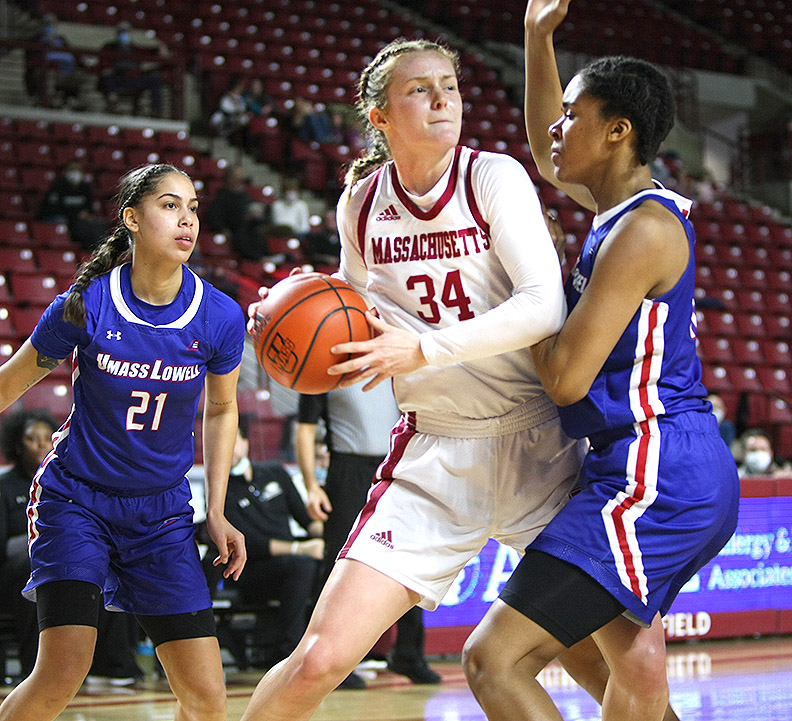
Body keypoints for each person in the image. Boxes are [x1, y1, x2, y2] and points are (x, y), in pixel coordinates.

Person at [240, 37, 625, 721]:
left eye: (449, 84)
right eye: (420, 88)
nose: (442, 96)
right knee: (320, 657)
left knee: (602, 659)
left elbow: (543, 305)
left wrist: (423, 350)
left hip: (540, 445)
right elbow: (355, 323)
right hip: (436, 450)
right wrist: (285, 333)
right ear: (380, 115)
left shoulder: (492, 177)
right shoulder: (360, 203)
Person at [459, 3, 740, 721]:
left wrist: (521, 286)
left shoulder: (641, 231)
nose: (557, 126)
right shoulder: (616, 207)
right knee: (634, 670)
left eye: (573, 115)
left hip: (655, 473)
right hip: (652, 463)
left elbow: (563, 378)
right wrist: (536, 38)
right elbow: (541, 138)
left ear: (618, 131)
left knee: (495, 659)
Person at [0, 163, 246, 721]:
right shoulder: (84, 305)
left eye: (193, 207)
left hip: (159, 513)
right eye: (169, 205)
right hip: (75, 500)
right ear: (131, 218)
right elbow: (9, 384)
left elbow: (224, 407)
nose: (187, 219)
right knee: (63, 669)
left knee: (207, 699)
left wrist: (218, 509)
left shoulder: (218, 317)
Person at [296, 383, 440, 687]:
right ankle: (329, 656)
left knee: (408, 559)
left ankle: (409, 654)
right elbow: (306, 428)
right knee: (338, 563)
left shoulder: (394, 361)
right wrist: (311, 485)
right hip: (347, 469)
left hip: (396, 463)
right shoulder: (324, 366)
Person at [204, 422, 323, 670]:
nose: (229, 446)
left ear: (246, 443)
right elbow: (247, 542)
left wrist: (333, 533)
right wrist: (298, 549)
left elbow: (307, 521)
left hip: (291, 564)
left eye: (234, 439)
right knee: (301, 565)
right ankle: (289, 655)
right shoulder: (218, 489)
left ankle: (329, 652)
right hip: (249, 570)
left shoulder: (275, 473)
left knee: (330, 562)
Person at [37, 160, 109, 251]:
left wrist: (87, 215)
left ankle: (100, 252)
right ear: (66, 172)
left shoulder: (85, 188)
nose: (75, 173)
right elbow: (50, 209)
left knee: (98, 224)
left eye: (78, 170)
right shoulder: (58, 186)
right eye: (72, 169)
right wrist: (74, 214)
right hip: (63, 219)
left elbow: (90, 209)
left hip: (78, 221)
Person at [98, 21, 165, 117]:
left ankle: (156, 110)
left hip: (134, 79)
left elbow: (150, 52)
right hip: (118, 78)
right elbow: (104, 64)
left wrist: (160, 48)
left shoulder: (134, 49)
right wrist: (109, 69)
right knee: (107, 76)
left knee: (155, 78)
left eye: (126, 32)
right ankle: (113, 105)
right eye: (122, 32)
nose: (124, 34)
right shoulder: (109, 47)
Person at [24, 13, 88, 110]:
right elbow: (30, 62)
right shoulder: (34, 41)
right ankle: (49, 101)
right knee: (48, 75)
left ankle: (74, 101)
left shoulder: (61, 40)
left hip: (65, 72)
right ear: (41, 25)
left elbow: (74, 55)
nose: (50, 27)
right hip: (45, 71)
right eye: (47, 24)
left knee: (80, 76)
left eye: (52, 24)